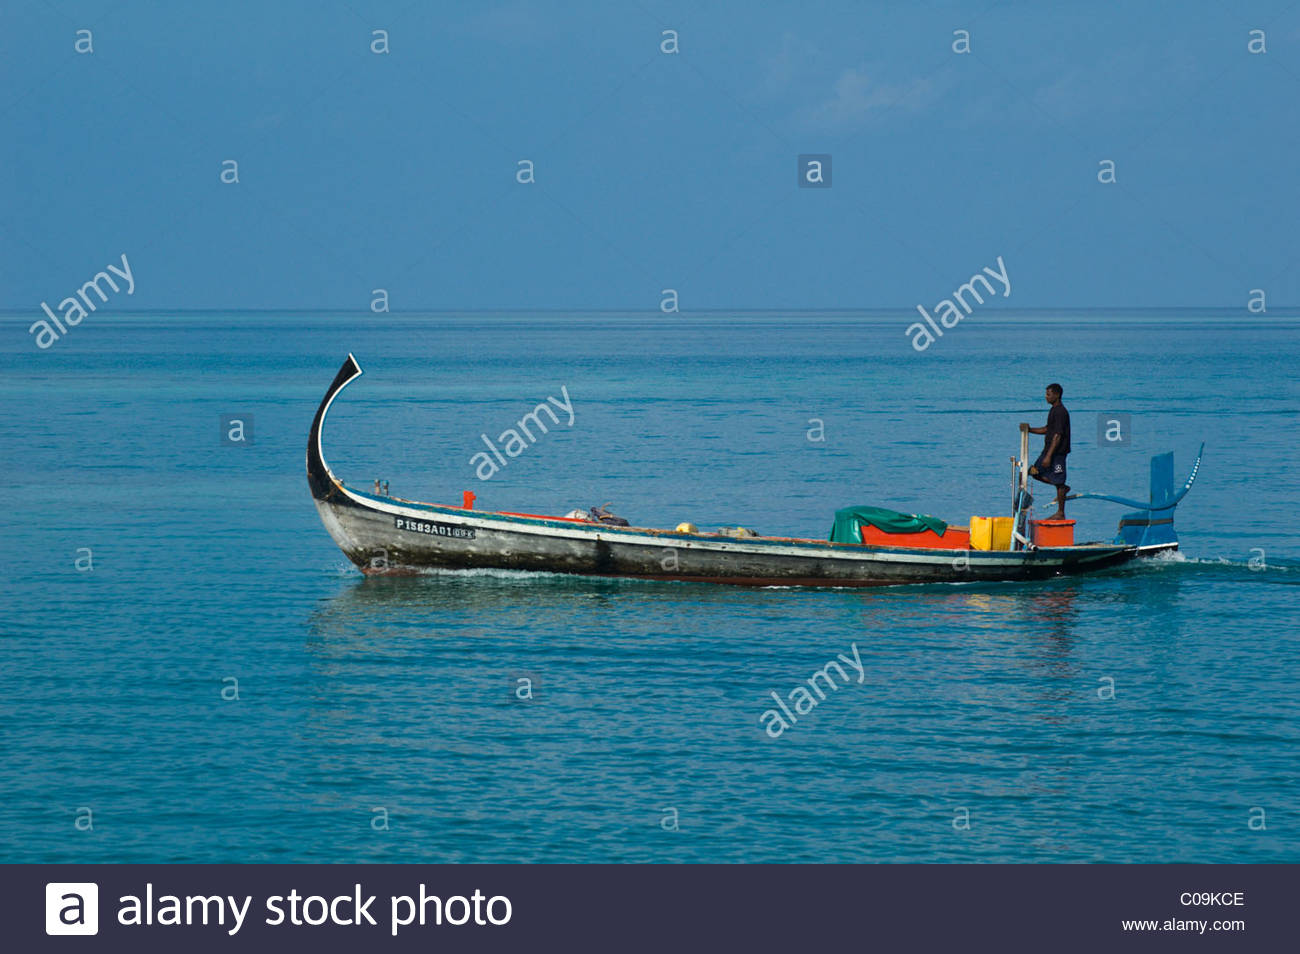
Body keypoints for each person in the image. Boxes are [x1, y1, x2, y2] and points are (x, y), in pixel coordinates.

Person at [1019, 383, 1071, 519]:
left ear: (1057, 395)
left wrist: (1049, 456)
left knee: (1059, 481)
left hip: (1057, 453)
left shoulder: (1061, 412)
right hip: (1048, 450)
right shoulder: (1053, 410)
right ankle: (1063, 488)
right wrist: (1030, 430)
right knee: (1033, 472)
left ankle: (1060, 512)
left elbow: (1057, 435)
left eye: (1048, 394)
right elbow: (1048, 429)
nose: (1046, 397)